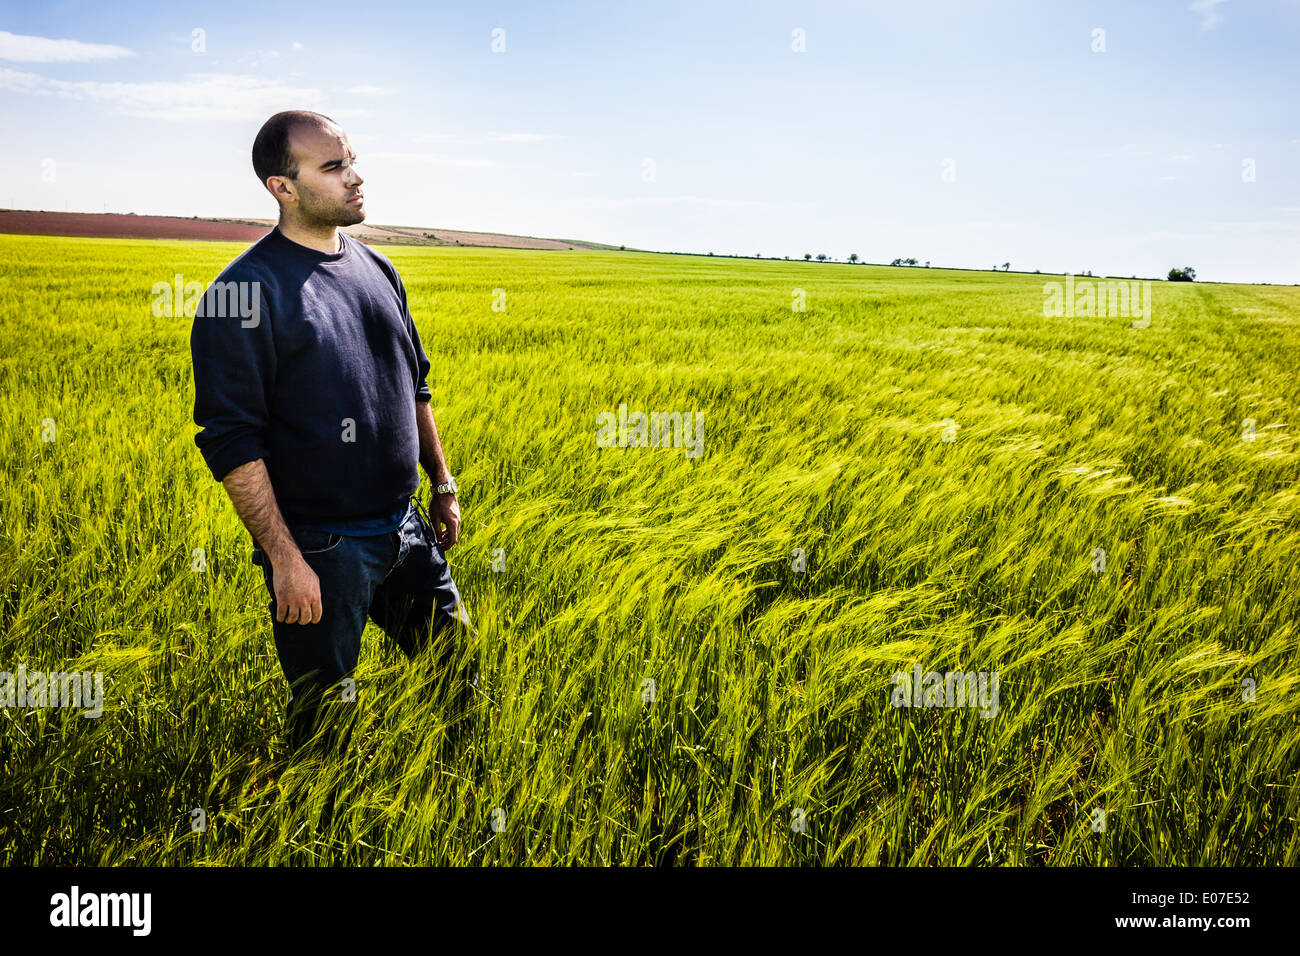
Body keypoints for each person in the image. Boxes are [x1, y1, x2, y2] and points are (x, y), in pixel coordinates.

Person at [189, 109, 474, 758]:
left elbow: (416, 387)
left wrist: (443, 484)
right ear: (282, 188)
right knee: (326, 714)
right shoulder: (244, 294)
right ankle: (313, 824)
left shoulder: (379, 270)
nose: (356, 178)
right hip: (321, 545)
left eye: (352, 160)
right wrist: (285, 558)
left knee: (456, 671)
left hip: (405, 529)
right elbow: (232, 442)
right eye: (334, 166)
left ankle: (462, 793)